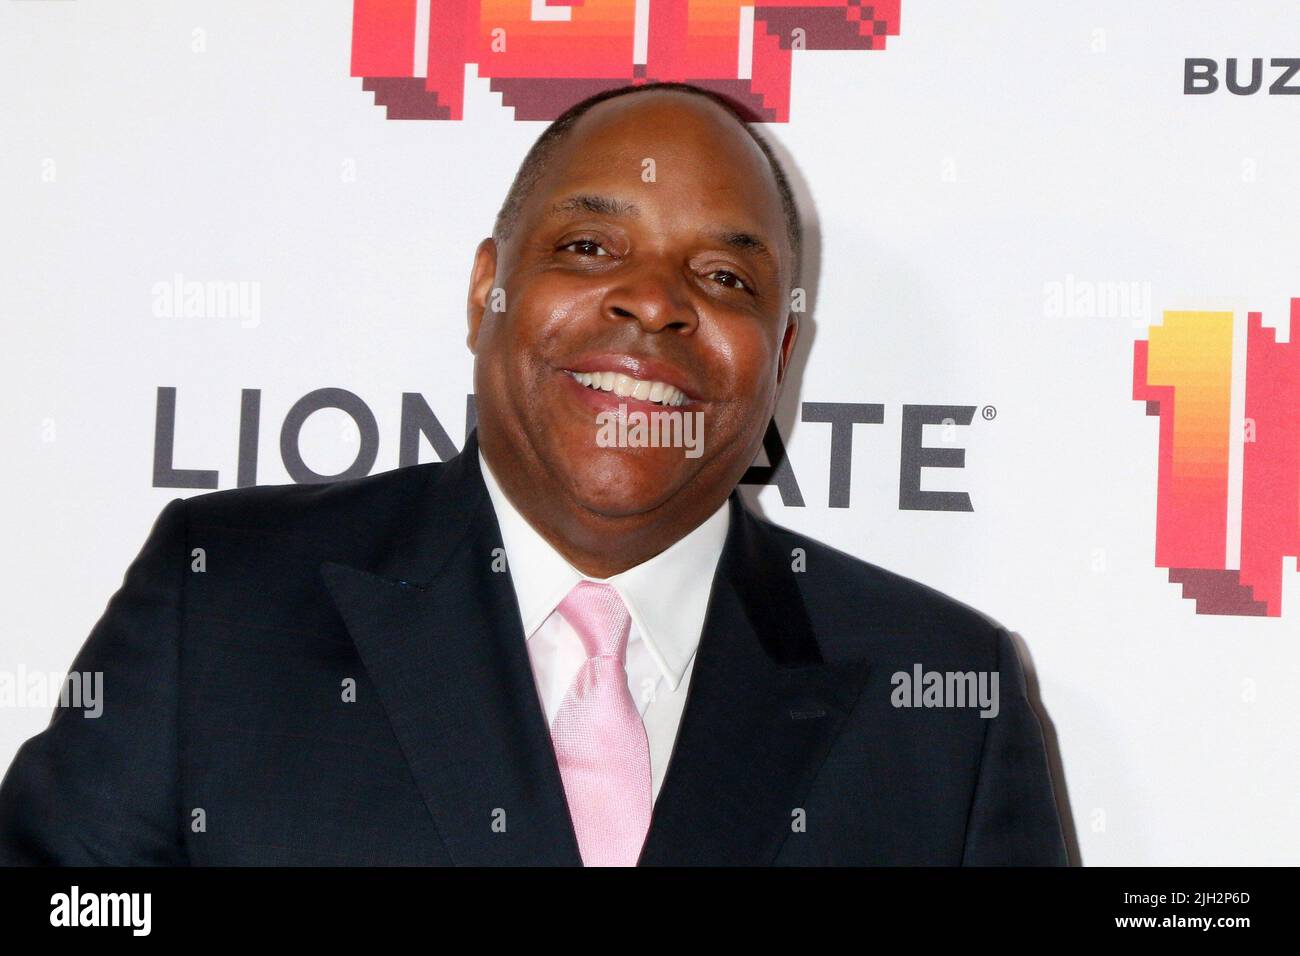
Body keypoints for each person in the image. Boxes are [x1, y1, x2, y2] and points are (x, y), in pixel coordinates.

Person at [0, 82, 1068, 866]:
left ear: (781, 358)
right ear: (486, 292)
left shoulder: (943, 701)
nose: (654, 303)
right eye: (591, 250)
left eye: (724, 274)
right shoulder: (225, 594)